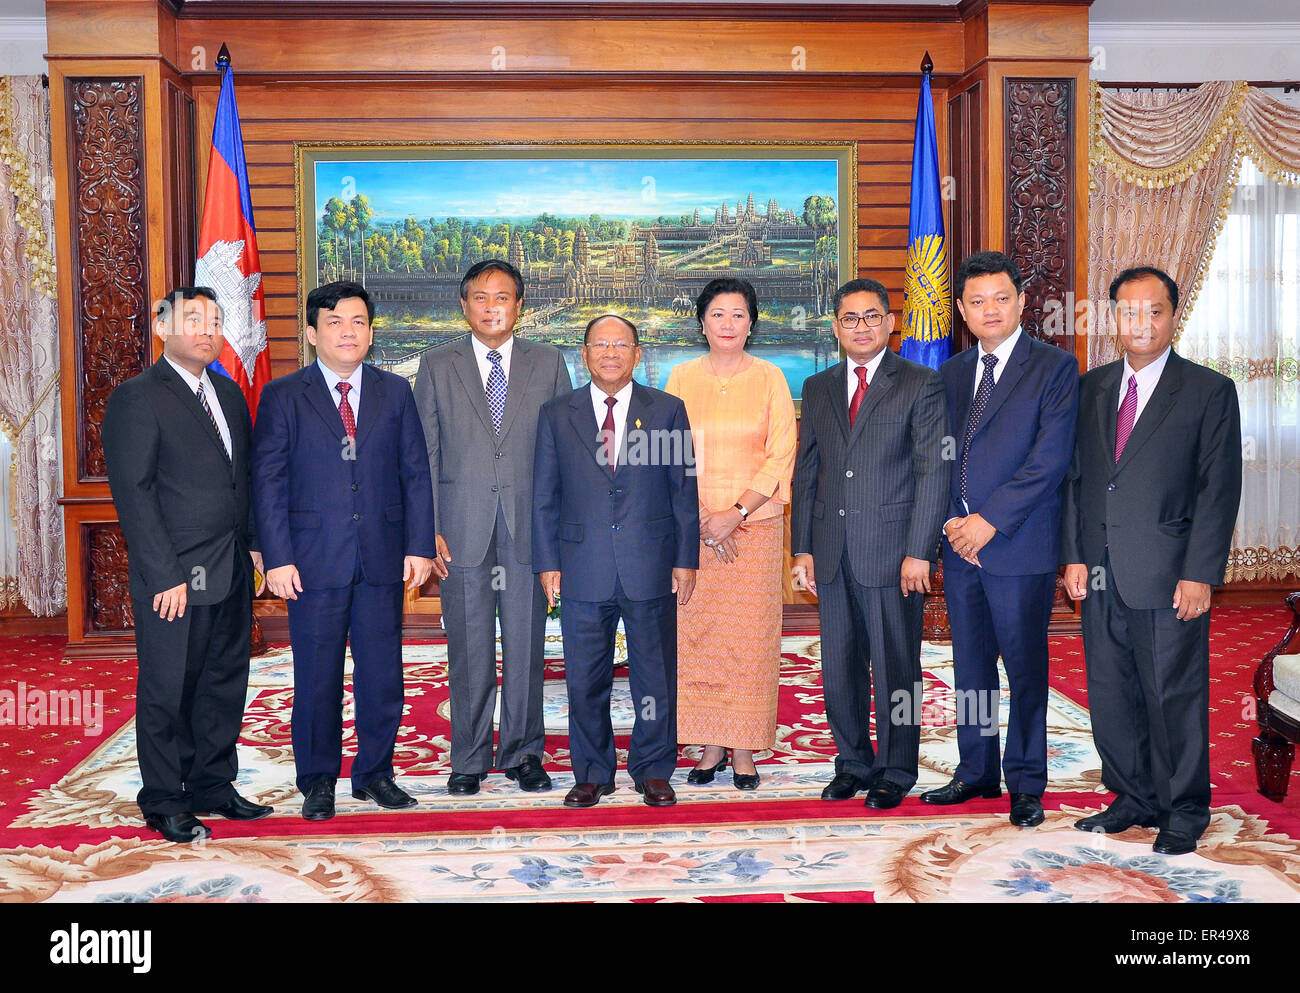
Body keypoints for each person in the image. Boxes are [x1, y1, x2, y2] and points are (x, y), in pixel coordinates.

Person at [1063, 266, 1241, 856]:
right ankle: (1131, 795)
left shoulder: (1208, 391)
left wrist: (1199, 574)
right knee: (1111, 689)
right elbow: (1077, 481)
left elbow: (1219, 490)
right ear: (1115, 317)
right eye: (1129, 312)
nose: (1141, 322)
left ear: (1172, 315)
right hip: (1099, 569)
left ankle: (1183, 807)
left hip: (1169, 573)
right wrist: (1073, 557)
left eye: (1154, 311)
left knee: (1173, 693)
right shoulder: (1091, 388)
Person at [252, 280, 436, 821]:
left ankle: (375, 773)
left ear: (371, 332)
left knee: (382, 676)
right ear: (313, 334)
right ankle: (317, 780)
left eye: (357, 321)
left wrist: (419, 545)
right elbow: (268, 482)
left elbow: (416, 473)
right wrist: (277, 556)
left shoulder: (394, 392)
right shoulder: (285, 396)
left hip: (381, 558)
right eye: (334, 322)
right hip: (310, 563)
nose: (347, 331)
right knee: (317, 677)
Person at [102, 286, 271, 844]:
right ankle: (164, 798)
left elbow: (238, 480)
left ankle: (213, 785)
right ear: (161, 327)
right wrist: (164, 573)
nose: (207, 328)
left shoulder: (226, 391)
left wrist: (252, 545)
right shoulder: (138, 397)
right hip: (174, 576)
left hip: (228, 568)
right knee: (169, 687)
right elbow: (135, 492)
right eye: (193, 318)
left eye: (216, 320)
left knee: (223, 682)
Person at [920, 251, 1078, 828]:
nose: (991, 309)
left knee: (1025, 665)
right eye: (978, 301)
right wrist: (950, 524)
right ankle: (977, 770)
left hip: (1018, 544)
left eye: (1001, 298)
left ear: (1021, 302)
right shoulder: (954, 372)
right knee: (971, 666)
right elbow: (941, 456)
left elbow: (1051, 460)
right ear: (961, 310)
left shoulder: (1055, 367)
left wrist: (988, 520)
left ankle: (1026, 780)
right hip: (960, 546)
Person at [414, 260, 572, 796]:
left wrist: (560, 537)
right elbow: (424, 454)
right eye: (480, 298)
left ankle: (525, 753)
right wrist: (426, 529)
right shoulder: (437, 365)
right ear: (465, 305)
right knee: (469, 645)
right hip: (459, 529)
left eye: (501, 297)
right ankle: (469, 756)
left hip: (530, 529)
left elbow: (564, 455)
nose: (490, 307)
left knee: (527, 645)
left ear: (519, 306)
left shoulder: (548, 363)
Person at [791, 278, 949, 808]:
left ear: (890, 322)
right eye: (850, 318)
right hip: (832, 552)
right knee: (838, 668)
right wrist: (803, 548)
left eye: (872, 316)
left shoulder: (921, 383)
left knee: (895, 666)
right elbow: (806, 470)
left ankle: (896, 768)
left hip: (892, 553)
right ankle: (853, 762)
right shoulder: (819, 387)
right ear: (836, 327)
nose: (862, 326)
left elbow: (933, 472)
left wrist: (919, 551)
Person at [533, 314, 699, 808]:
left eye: (621, 344)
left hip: (650, 562)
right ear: (584, 354)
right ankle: (592, 771)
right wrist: (546, 562)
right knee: (585, 675)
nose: (610, 353)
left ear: (637, 354)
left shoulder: (667, 410)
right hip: (581, 563)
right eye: (600, 344)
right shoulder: (557, 413)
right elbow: (544, 495)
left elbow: (683, 491)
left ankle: (652, 767)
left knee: (655, 673)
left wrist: (685, 559)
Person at [666, 278, 796, 790]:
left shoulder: (770, 378)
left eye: (738, 315)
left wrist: (735, 513)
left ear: (751, 323)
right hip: (691, 530)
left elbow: (781, 454)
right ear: (702, 322)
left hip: (755, 531)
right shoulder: (680, 377)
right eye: (718, 314)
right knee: (696, 640)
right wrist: (701, 513)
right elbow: (665, 450)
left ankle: (743, 749)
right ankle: (708, 745)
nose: (727, 324)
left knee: (749, 641)